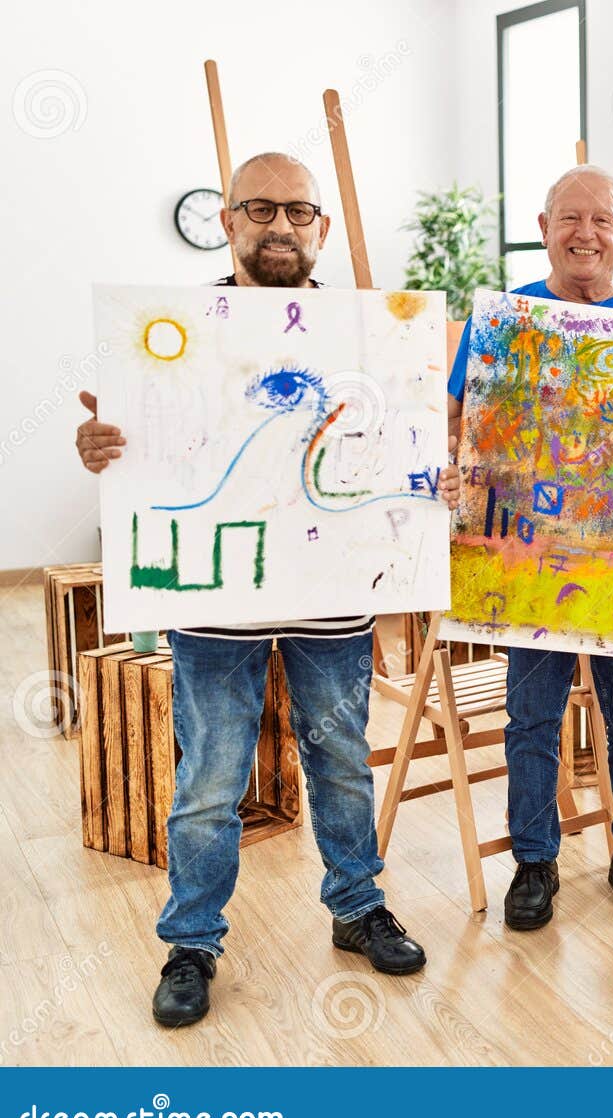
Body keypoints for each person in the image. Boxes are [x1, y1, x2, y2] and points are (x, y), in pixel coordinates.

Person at [74, 152, 458, 1028]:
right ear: (228, 221)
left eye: (297, 210)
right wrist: (102, 446)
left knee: (342, 762)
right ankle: (193, 938)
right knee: (210, 777)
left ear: (321, 227)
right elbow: (142, 445)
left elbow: (404, 442)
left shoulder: (371, 334)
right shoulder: (173, 331)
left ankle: (357, 905)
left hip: (334, 598)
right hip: (215, 603)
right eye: (259, 208)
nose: (279, 225)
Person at [446, 165, 613, 929]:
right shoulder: (506, 321)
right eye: (569, 218)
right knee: (532, 718)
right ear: (544, 228)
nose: (586, 234)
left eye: (602, 220)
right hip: (526, 560)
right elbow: (456, 423)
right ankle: (534, 861)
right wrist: (454, 477)